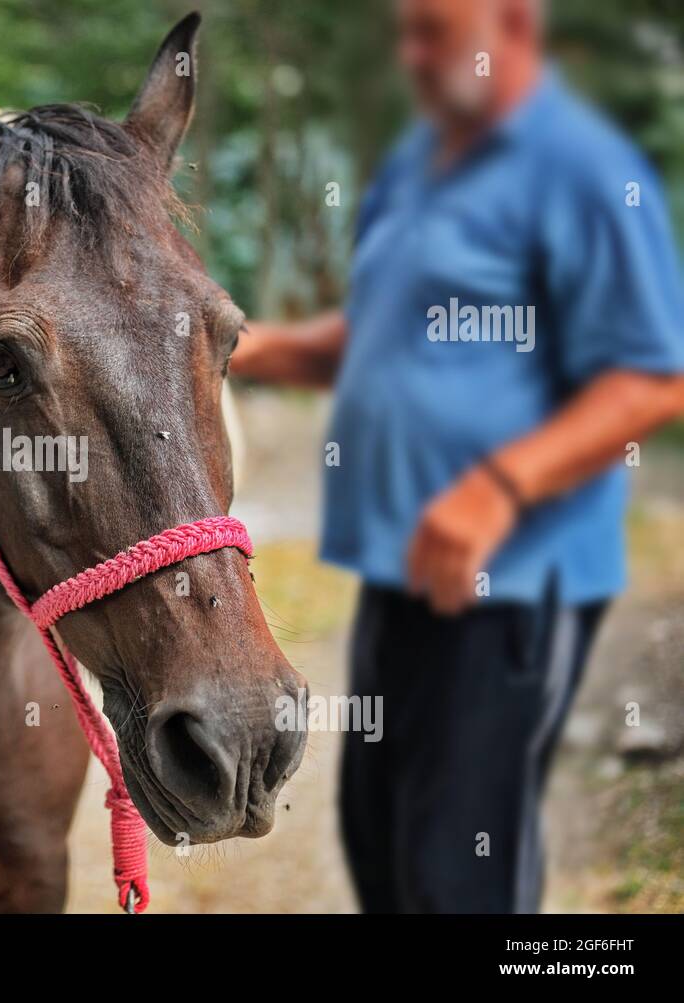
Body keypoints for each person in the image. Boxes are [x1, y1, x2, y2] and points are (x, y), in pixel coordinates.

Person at [231, 0, 684, 912]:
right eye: (406, 31)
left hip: (512, 575)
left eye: (435, 30)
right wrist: (224, 341)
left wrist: (496, 488)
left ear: (514, 23)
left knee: (459, 874)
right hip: (401, 565)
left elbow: (651, 378)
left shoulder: (580, 170)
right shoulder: (421, 165)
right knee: (382, 849)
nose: (413, 54)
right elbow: (378, 337)